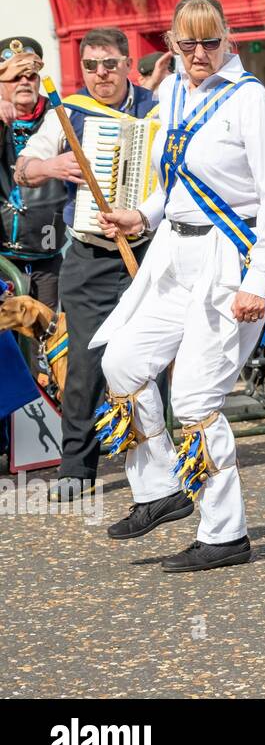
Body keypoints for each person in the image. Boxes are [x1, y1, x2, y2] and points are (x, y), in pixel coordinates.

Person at [91, 0, 265, 571]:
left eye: (210, 41)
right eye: (188, 43)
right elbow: (171, 179)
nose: (199, 53)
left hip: (229, 260)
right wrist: (143, 216)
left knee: (196, 399)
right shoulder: (170, 91)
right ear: (173, 45)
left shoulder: (250, 101)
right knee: (122, 362)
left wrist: (259, 278)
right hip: (172, 253)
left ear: (228, 39)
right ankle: (160, 489)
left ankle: (225, 533)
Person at [14, 26, 158, 501]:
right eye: (91, 66)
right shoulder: (69, 112)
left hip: (151, 251)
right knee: (84, 363)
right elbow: (25, 165)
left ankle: (165, 458)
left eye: (110, 64)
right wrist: (50, 167)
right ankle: (77, 466)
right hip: (91, 255)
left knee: (157, 359)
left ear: (127, 63)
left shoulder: (158, 109)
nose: (100, 74)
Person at [0, 42, 62, 308]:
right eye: (15, 77)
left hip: (46, 251)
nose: (24, 82)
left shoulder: (58, 116)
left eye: (31, 76)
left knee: (47, 340)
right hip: (2, 257)